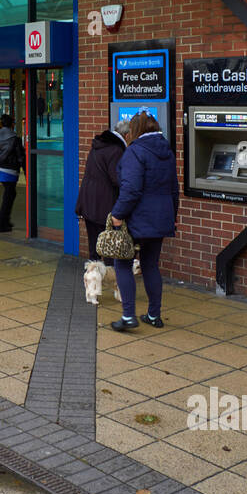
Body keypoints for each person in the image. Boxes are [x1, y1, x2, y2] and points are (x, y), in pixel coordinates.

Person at [108, 112, 179, 332]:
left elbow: (130, 189)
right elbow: (174, 190)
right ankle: (154, 315)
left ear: (135, 131)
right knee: (150, 265)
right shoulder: (167, 152)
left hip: (137, 217)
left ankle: (128, 316)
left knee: (123, 263)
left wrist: (117, 215)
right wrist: (172, 216)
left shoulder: (134, 152)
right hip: (160, 218)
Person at [74, 119, 130, 265]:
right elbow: (116, 179)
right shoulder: (116, 150)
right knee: (109, 247)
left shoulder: (98, 146)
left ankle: (93, 281)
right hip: (104, 205)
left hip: (88, 202)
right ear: (126, 135)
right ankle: (111, 279)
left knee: (95, 247)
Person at [0, 113, 24, 232]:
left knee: (10, 194)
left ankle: (6, 221)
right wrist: (26, 172)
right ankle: (2, 223)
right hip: (10, 171)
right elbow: (20, 157)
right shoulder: (15, 138)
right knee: (9, 196)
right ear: (12, 124)